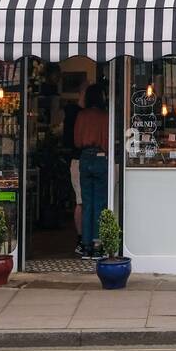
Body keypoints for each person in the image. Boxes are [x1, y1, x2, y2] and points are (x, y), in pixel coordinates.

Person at [73, 83, 109, 259]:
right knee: (100, 203)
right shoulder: (104, 116)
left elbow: (77, 142)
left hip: (84, 158)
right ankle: (98, 244)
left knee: (87, 203)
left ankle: (86, 246)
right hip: (101, 157)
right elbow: (107, 141)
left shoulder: (81, 115)